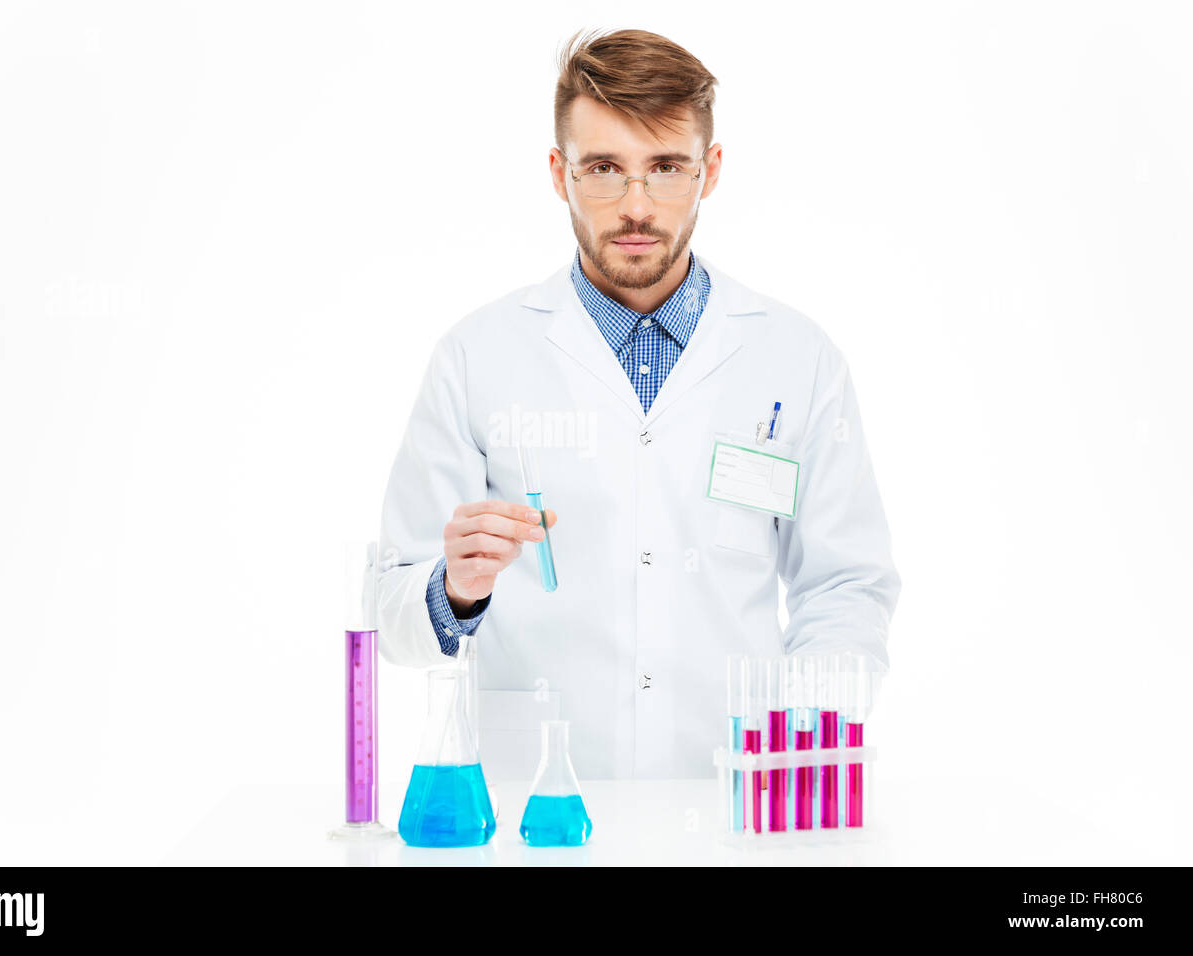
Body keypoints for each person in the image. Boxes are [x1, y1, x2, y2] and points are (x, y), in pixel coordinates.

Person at [376, 28, 901, 779]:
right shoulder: (476, 357)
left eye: (665, 167)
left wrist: (804, 732)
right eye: (603, 168)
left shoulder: (797, 358)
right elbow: (394, 607)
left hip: (738, 795)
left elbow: (846, 583)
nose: (635, 204)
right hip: (537, 802)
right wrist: (453, 589)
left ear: (709, 171)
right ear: (559, 174)